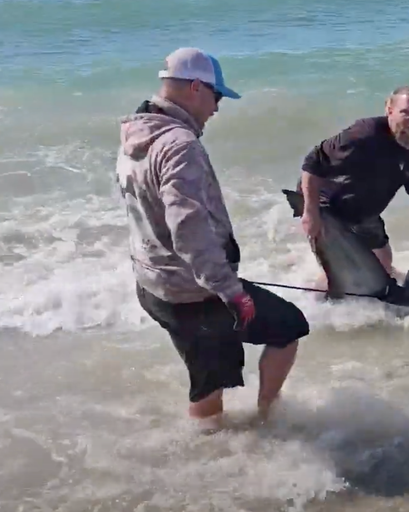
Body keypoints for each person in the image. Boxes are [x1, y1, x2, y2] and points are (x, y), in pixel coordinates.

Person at [115, 47, 309, 431]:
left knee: (206, 376)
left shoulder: (136, 135)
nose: (217, 108)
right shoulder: (178, 145)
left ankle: (210, 451)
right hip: (193, 295)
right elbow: (187, 228)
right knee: (288, 326)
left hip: (154, 285)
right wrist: (231, 292)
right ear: (195, 88)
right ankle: (261, 423)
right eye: (217, 96)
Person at [297, 86, 409, 283]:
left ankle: (380, 301)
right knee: (338, 274)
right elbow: (313, 162)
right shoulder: (365, 134)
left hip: (364, 211)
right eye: (405, 112)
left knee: (384, 266)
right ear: (389, 110)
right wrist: (311, 212)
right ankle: (318, 307)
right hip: (327, 207)